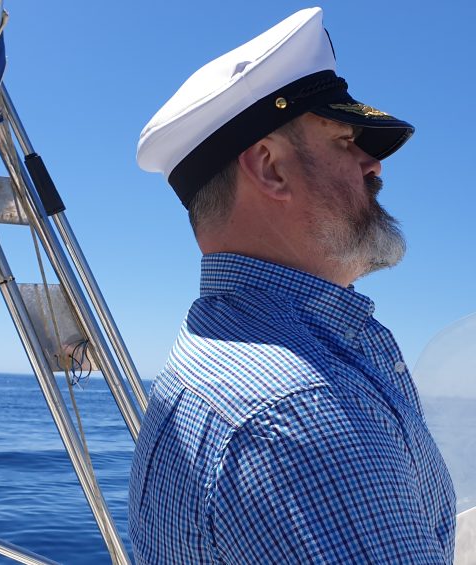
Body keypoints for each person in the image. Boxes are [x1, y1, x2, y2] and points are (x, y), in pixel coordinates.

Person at [130, 8, 455, 564]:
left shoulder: (220, 351)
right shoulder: (304, 419)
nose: (375, 166)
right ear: (271, 168)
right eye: (345, 140)